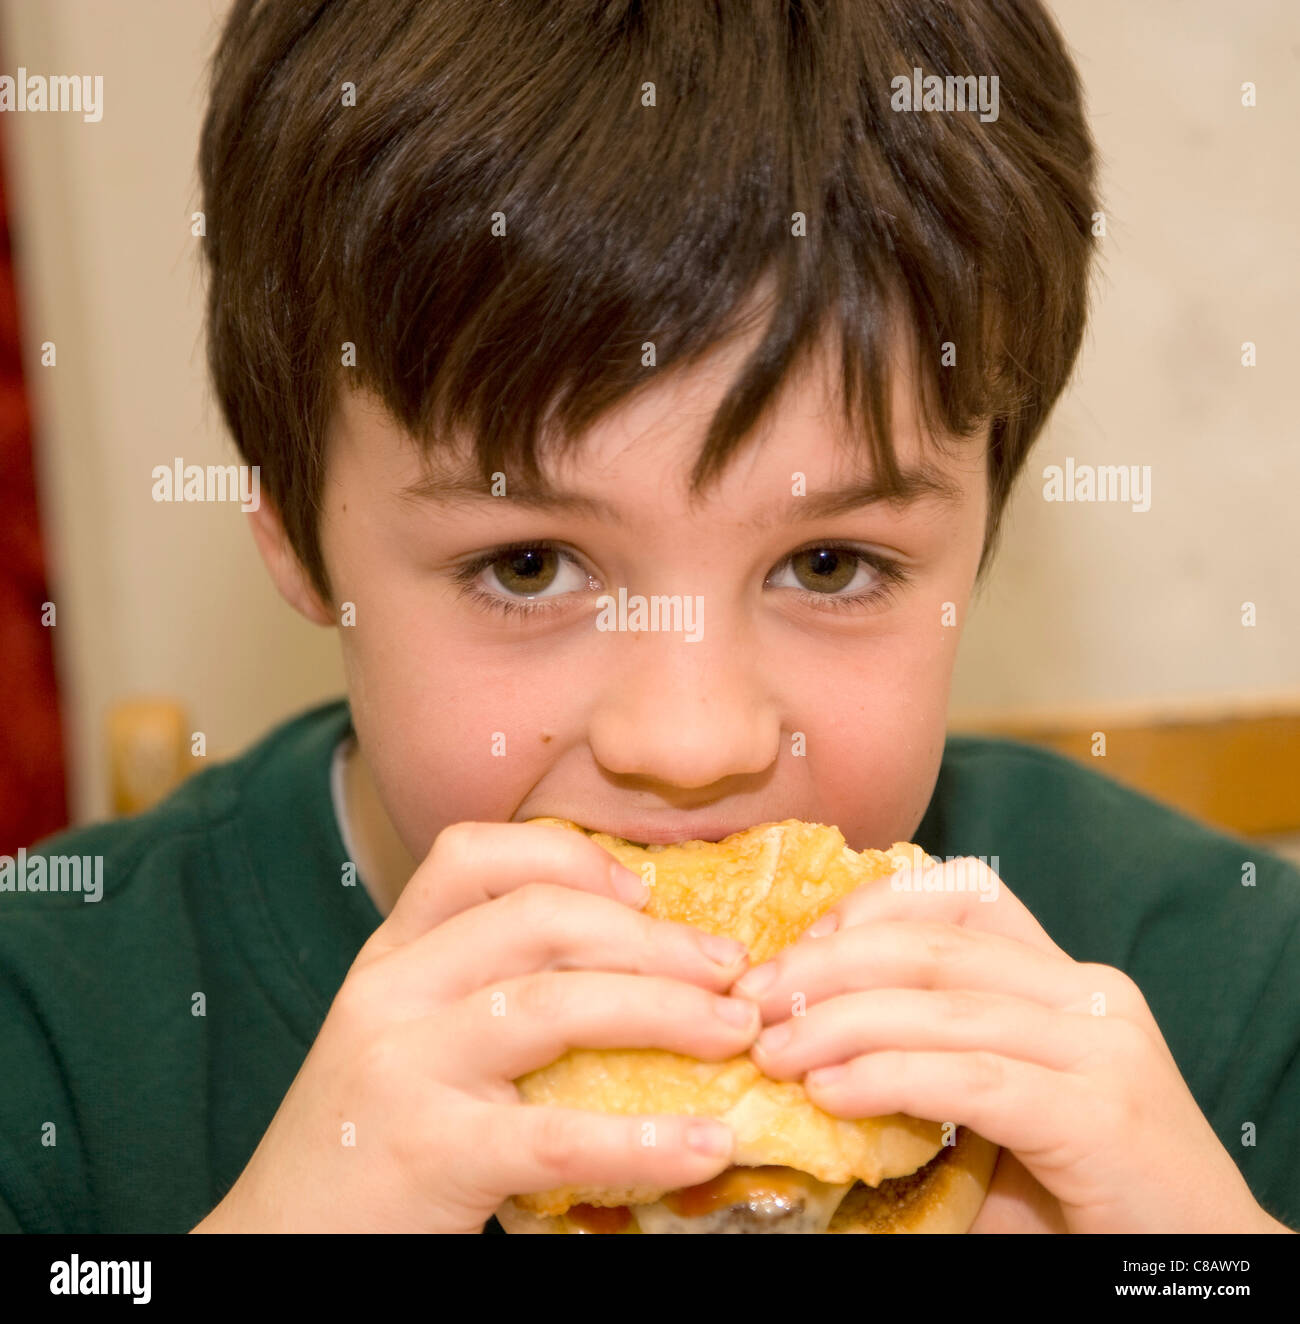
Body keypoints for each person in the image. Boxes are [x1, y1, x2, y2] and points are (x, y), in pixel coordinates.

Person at [2, 0, 1295, 1234]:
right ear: (295, 534)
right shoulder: (51, 1042)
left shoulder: (1228, 995)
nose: (690, 740)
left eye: (832, 563)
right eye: (527, 568)